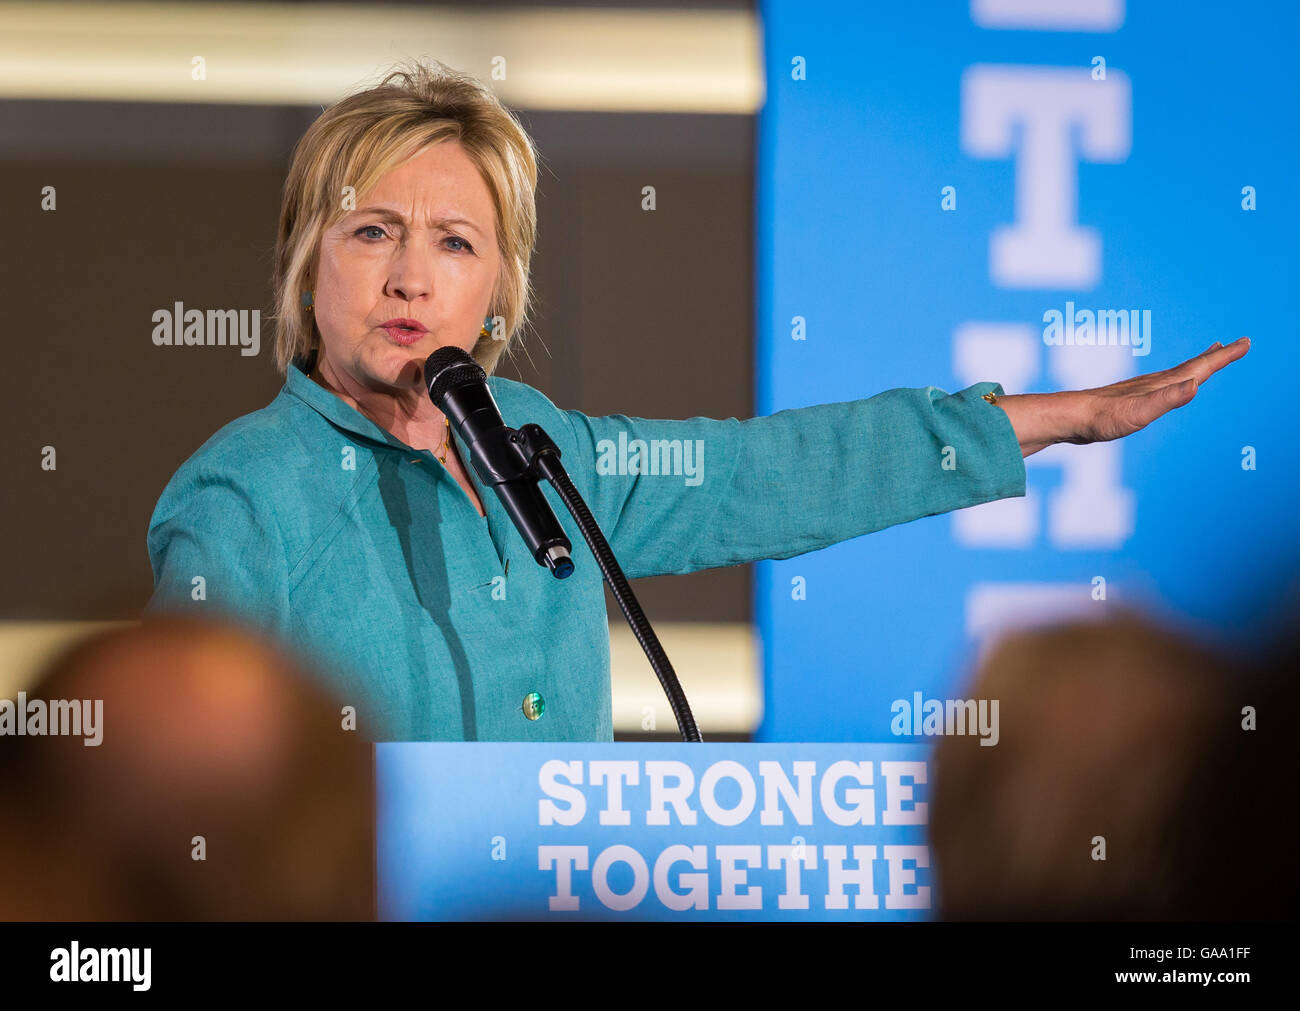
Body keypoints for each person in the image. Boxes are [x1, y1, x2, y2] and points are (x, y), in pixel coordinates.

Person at [145, 58, 1250, 742]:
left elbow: (773, 474)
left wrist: (1061, 418)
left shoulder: (546, 452)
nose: (409, 277)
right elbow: (186, 786)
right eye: (372, 231)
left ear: (496, 289)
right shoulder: (246, 493)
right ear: (306, 261)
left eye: (454, 242)